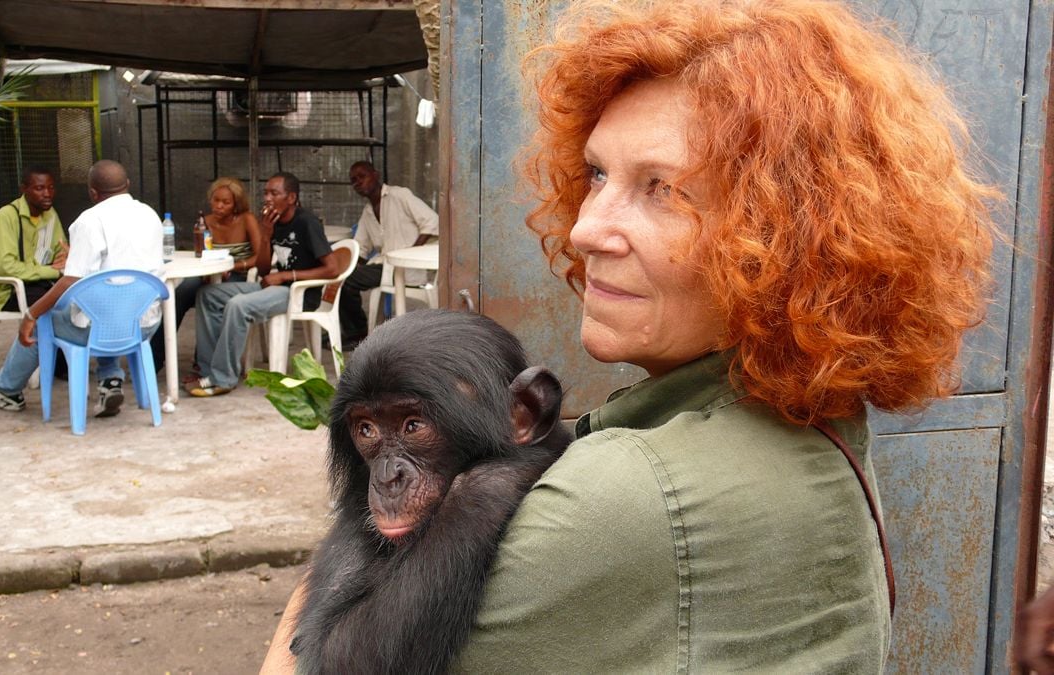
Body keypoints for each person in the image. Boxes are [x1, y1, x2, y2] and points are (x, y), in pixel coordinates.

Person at [261, 0, 997, 671]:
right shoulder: (791, 416)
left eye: (662, 188)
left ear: (781, 235)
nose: (583, 228)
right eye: (595, 174)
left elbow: (317, 660)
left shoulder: (628, 497)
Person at [0, 160, 166, 419]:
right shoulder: (149, 214)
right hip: (144, 325)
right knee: (100, 306)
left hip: (101, 326)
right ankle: (110, 382)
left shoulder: (89, 221)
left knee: (50, 319)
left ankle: (5, 389)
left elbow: (70, 280)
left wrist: (31, 315)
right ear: (127, 186)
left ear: (93, 193)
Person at [189, 172, 340, 397]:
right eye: (266, 193)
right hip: (275, 287)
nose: (267, 198)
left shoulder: (306, 222)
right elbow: (262, 270)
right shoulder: (273, 222)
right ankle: (209, 368)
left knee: (238, 305)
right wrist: (266, 236)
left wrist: (287, 276)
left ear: (291, 198)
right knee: (208, 294)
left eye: (274, 193)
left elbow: (332, 269)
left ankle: (223, 379)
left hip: (300, 293)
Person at [150, 177, 269, 373]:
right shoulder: (205, 222)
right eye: (216, 200)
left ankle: (203, 361)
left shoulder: (247, 220)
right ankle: (155, 359)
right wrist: (207, 269)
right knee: (179, 294)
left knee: (212, 295)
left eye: (226, 202)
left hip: (239, 274)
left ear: (236, 204)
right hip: (210, 271)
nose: (219, 206)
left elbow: (261, 256)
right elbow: (201, 253)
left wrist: (236, 265)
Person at [340, 161, 439, 345]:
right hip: (384, 267)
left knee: (348, 281)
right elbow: (361, 248)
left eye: (362, 176)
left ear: (376, 175)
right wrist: (344, 269)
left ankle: (357, 333)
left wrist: (411, 253)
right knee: (342, 279)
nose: (358, 183)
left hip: (405, 268)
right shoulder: (368, 211)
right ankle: (356, 332)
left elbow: (432, 222)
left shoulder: (399, 195)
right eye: (353, 181)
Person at [0, 166, 68, 313]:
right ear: (24, 189)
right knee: (58, 302)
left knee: (79, 293)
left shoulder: (50, 214)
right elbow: (5, 266)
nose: (47, 194)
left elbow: (61, 250)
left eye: (51, 188)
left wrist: (64, 258)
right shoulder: (6, 217)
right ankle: (41, 335)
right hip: (11, 290)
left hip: (41, 283)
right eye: (39, 188)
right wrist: (53, 272)